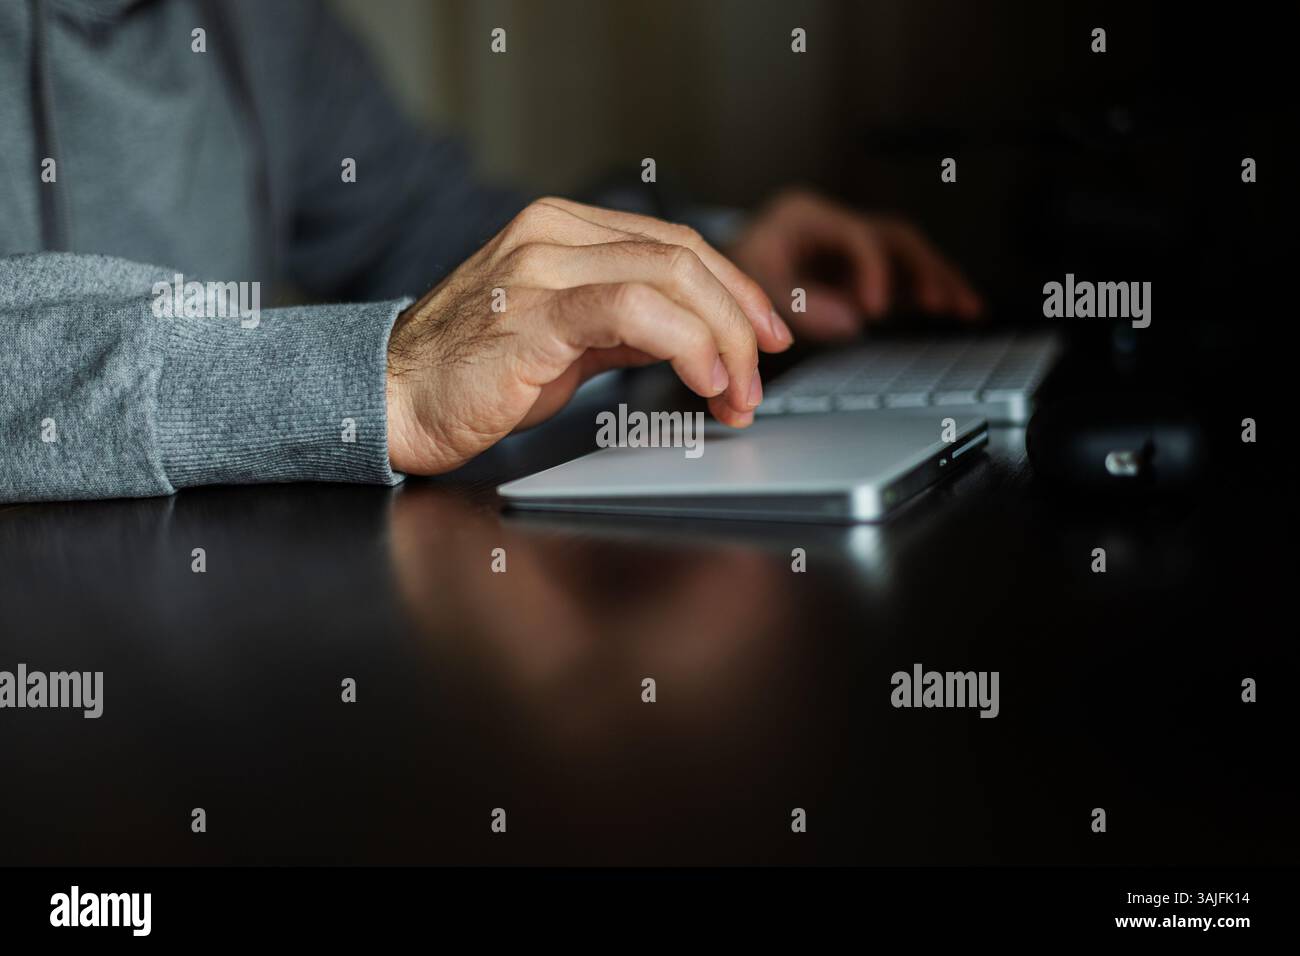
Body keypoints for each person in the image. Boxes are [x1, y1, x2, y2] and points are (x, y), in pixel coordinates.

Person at [0, 0, 980, 503]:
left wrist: (710, 263)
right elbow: (425, 345)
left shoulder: (264, 22)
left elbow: (422, 234)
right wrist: (383, 376)